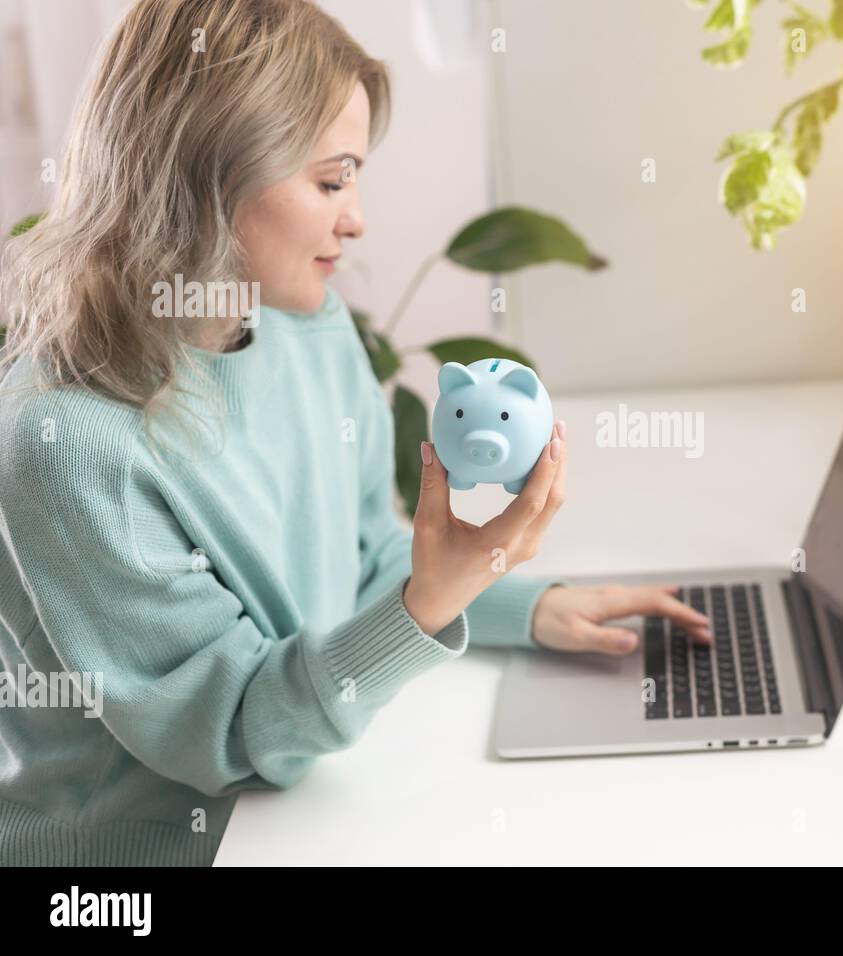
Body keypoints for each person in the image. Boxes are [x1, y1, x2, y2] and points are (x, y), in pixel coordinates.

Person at [0, 0, 711, 866]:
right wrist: (429, 601)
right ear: (213, 170)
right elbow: (231, 734)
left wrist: (528, 603)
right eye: (332, 181)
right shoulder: (70, 443)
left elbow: (363, 553)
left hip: (296, 824)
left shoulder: (304, 326)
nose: (358, 220)